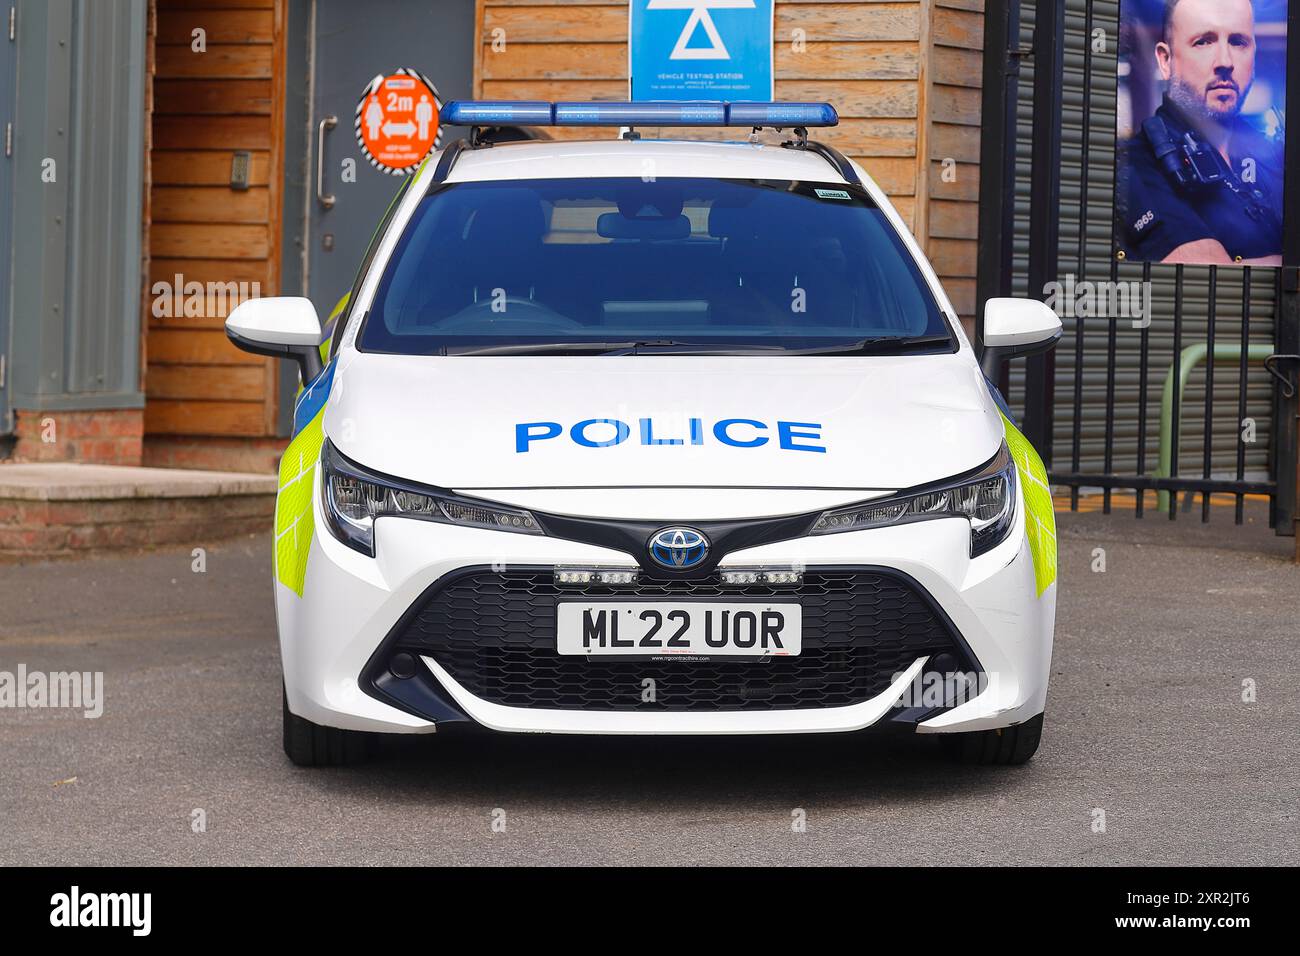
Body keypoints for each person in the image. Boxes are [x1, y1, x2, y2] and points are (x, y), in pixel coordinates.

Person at [1116, 0, 1284, 265]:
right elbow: (1211, 279)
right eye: (1204, 41)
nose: (1225, 62)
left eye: (1238, 42)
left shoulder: (1276, 156)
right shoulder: (1135, 165)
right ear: (1166, 60)